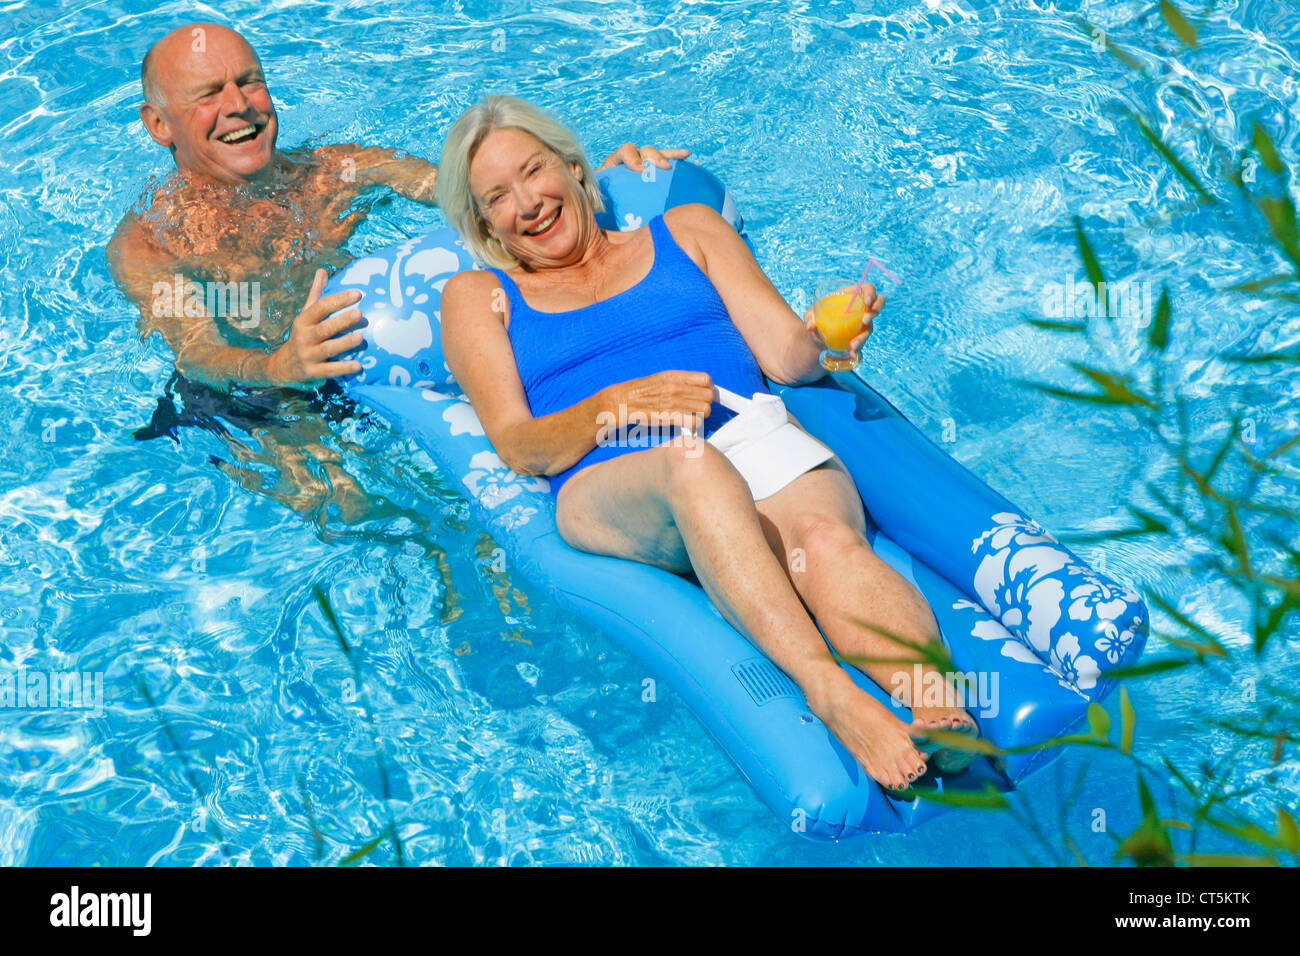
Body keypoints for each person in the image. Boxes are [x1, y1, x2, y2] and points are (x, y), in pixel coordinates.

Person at [437, 95, 978, 792]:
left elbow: (786, 359)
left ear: (573, 168)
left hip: (747, 435)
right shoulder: (479, 295)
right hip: (616, 478)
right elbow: (519, 445)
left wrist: (824, 338)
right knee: (691, 464)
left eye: (534, 171)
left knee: (824, 536)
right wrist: (616, 407)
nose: (528, 203)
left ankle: (941, 708)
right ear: (487, 226)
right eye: (497, 199)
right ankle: (833, 696)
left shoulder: (687, 230)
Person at [106, 22, 682, 528]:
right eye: (209, 94)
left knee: (494, 491)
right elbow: (195, 351)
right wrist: (280, 365)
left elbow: (474, 193)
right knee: (378, 519)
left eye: (249, 81)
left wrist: (580, 182)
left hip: (370, 362)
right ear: (159, 124)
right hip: (256, 397)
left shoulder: (338, 169)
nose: (240, 105)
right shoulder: (148, 244)